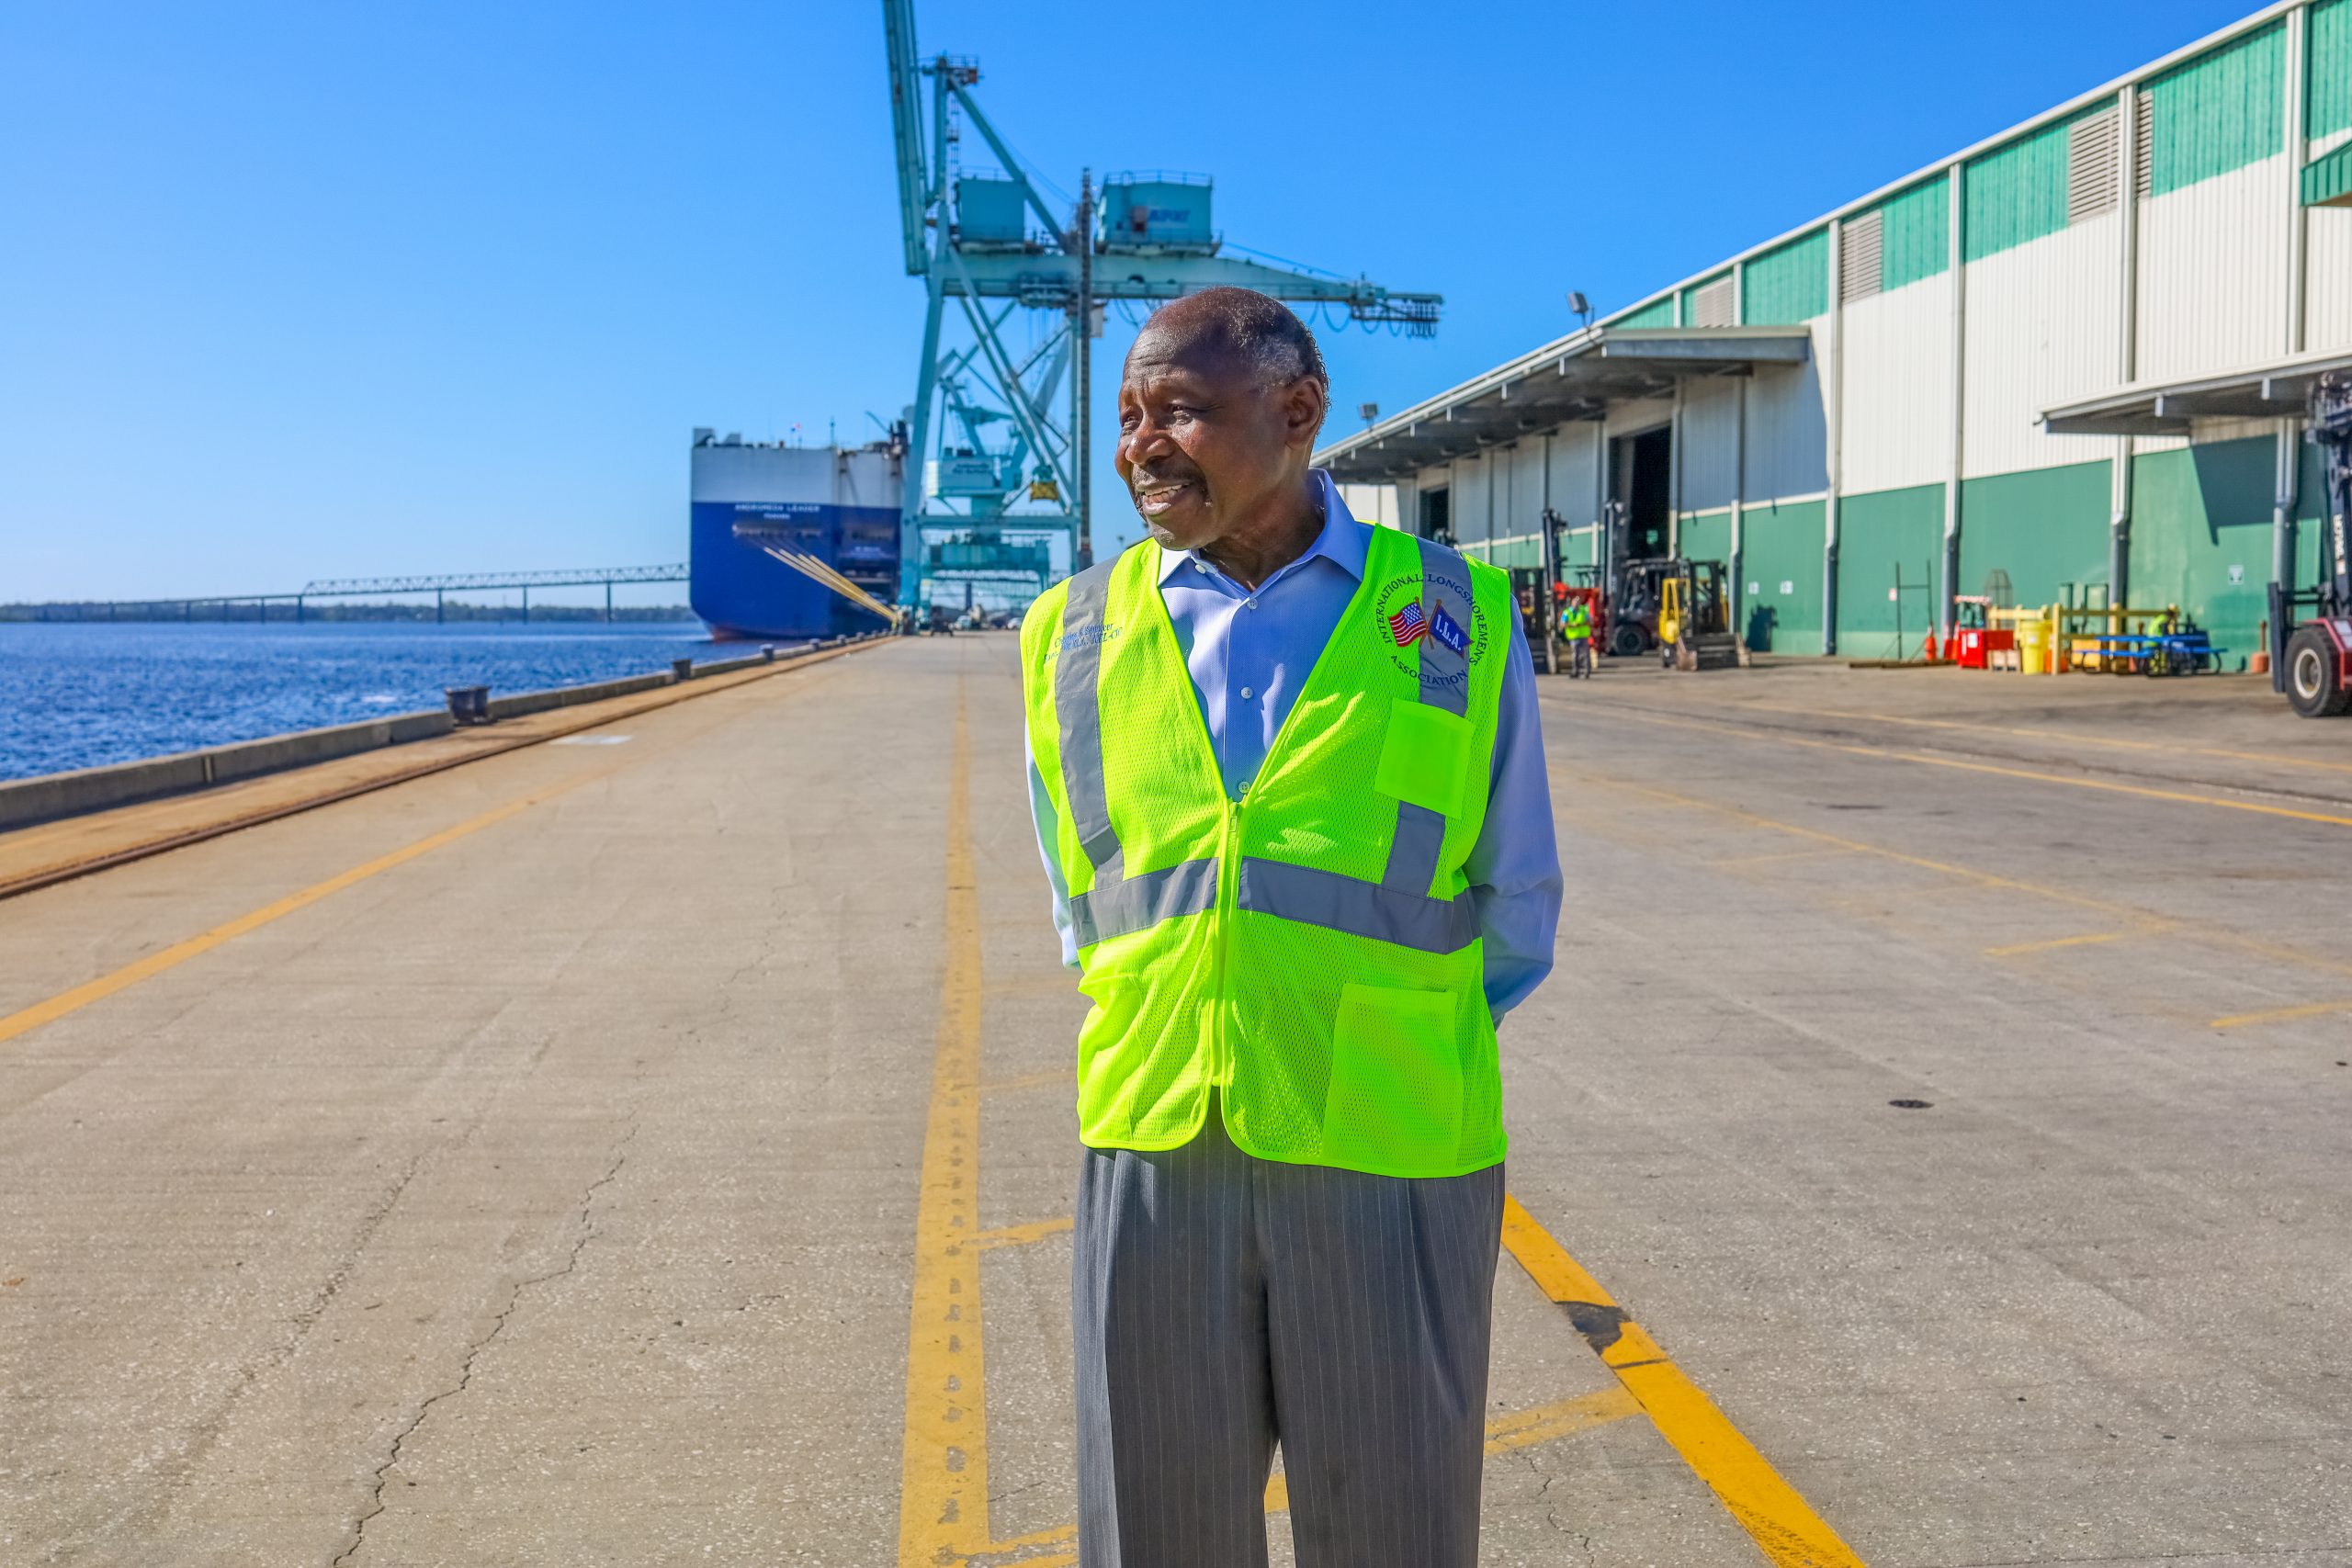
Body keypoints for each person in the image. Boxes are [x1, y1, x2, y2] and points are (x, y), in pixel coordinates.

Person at [1019, 287, 1562, 1568]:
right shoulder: (1068, 633)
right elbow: (1080, 910)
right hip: (1158, 1143)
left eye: (1183, 410)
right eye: (1129, 414)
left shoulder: (1456, 618)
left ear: (1299, 410)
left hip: (1389, 1141)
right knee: (1155, 1531)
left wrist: (1355, 1027)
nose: (1141, 443)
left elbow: (1518, 904)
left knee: (1396, 1527)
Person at [1561, 596, 1593, 678]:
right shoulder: (1567, 612)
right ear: (1572, 603)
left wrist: (1581, 624)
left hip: (1583, 636)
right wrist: (1572, 625)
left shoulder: (1584, 611)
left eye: (1578, 602)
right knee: (1575, 655)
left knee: (1586, 655)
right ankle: (1575, 672)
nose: (1577, 604)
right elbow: (1562, 624)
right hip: (1573, 637)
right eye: (1575, 602)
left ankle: (1587, 672)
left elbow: (1590, 621)